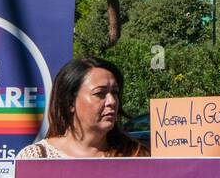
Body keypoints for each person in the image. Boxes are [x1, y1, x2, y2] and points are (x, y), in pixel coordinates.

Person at [16, 57, 146, 158]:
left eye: (115, 92)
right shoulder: (37, 156)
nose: (111, 101)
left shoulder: (136, 154)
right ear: (70, 101)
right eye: (100, 93)